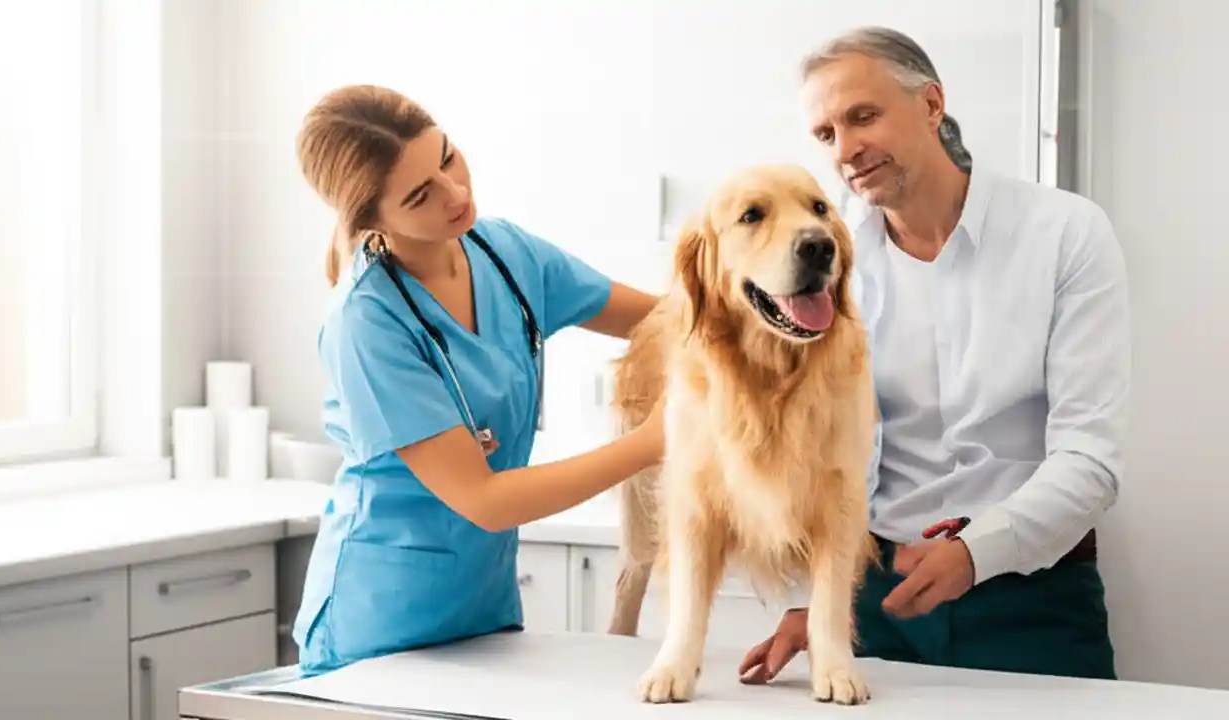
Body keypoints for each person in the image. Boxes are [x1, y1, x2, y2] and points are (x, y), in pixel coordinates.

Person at [739, 27, 1130, 683]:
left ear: (930, 105)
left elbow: (1090, 457)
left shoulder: (1066, 234)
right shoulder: (828, 262)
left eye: (863, 116)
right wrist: (815, 598)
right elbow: (821, 452)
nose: (847, 150)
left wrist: (976, 552)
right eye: (826, 135)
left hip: (1032, 596)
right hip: (873, 598)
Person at [290, 85, 663, 676]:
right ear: (371, 219)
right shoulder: (366, 322)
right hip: (381, 629)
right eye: (420, 194)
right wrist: (651, 443)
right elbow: (484, 501)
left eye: (446, 157)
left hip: (483, 616)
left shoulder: (505, 252)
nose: (455, 193)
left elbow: (660, 322)